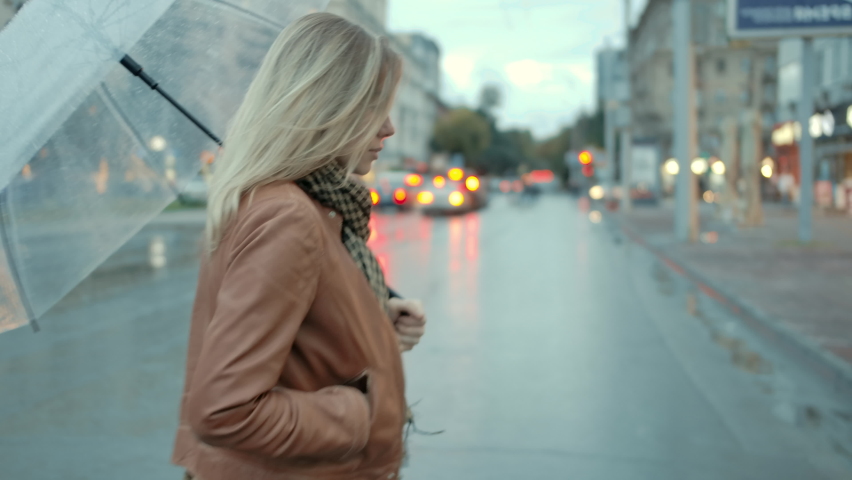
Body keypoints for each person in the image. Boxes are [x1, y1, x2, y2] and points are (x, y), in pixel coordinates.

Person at [171, 13, 426, 480]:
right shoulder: (288, 217)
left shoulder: (306, 203)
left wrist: (373, 320)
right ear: (325, 106)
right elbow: (225, 411)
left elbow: (297, 340)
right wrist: (364, 415)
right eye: (373, 108)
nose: (389, 128)